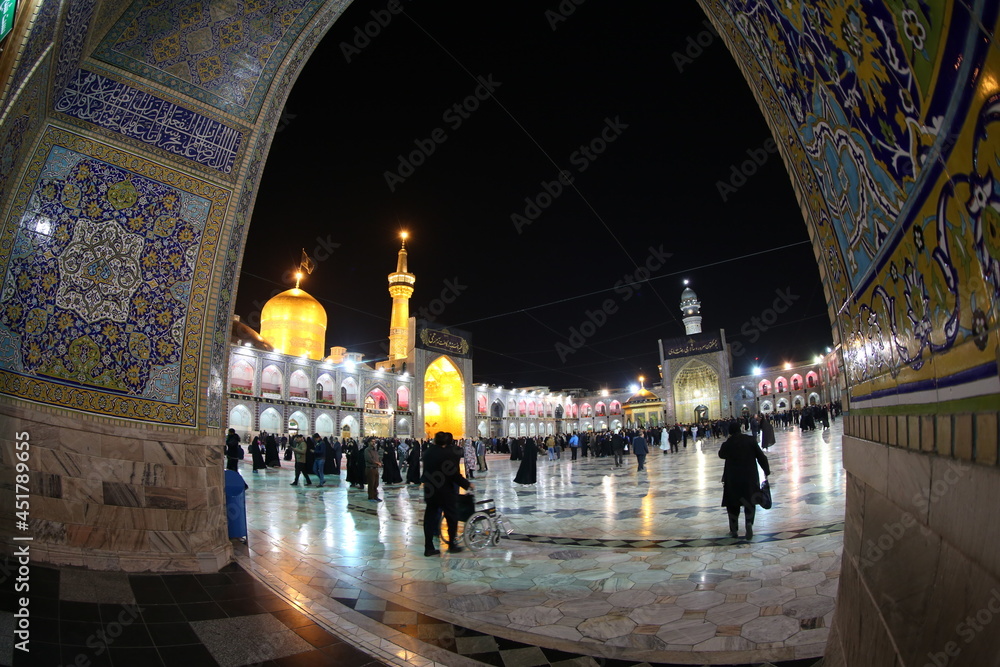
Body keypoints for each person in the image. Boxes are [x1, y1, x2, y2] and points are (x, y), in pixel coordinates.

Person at [422, 431, 473, 556]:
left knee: (429, 518)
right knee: (451, 517)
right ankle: (452, 544)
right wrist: (467, 484)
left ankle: (428, 547)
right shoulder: (448, 454)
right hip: (444, 491)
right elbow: (453, 474)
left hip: (430, 490)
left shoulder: (427, 452)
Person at [719, 422, 771, 539]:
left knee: (733, 505)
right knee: (750, 502)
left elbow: (721, 454)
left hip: (732, 480)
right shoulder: (750, 440)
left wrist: (729, 441)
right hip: (749, 478)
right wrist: (766, 471)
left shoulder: (728, 444)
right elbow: (761, 457)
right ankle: (749, 523)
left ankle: (734, 530)